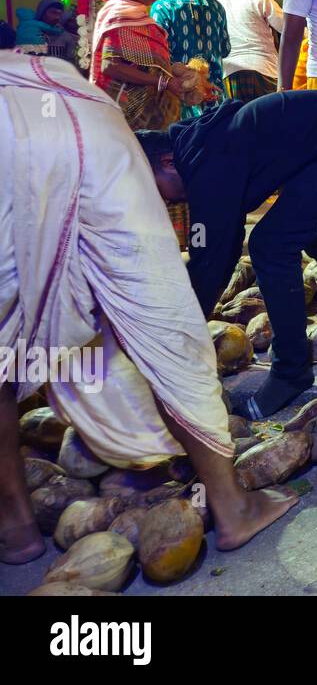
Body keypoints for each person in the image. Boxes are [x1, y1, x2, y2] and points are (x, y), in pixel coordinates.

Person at [0, 51, 296, 565]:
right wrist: (190, 308)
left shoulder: (206, 151)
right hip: (87, 121)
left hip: (26, 133)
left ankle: (15, 526)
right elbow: (180, 286)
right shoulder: (85, 98)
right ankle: (231, 507)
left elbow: (216, 246)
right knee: (161, 319)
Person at [136, 90, 317, 420]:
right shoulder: (194, 148)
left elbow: (213, 260)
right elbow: (215, 251)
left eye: (153, 187)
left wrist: (180, 334)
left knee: (270, 245)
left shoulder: (204, 163)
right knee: (308, 232)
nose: (162, 201)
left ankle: (291, 371)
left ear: (167, 162)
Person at [91, 0, 187, 130]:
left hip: (154, 111)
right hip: (130, 114)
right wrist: (161, 82)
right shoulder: (118, 15)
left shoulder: (139, 16)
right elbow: (110, 66)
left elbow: (148, 64)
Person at [150, 0, 231, 118]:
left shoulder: (162, 7)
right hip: (214, 98)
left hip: (181, 101)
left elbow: (158, 58)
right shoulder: (216, 6)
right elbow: (225, 49)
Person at [212, 0, 285, 102]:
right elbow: (289, 29)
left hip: (228, 75)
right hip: (264, 71)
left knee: (238, 121)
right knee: (269, 121)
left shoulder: (212, 1)